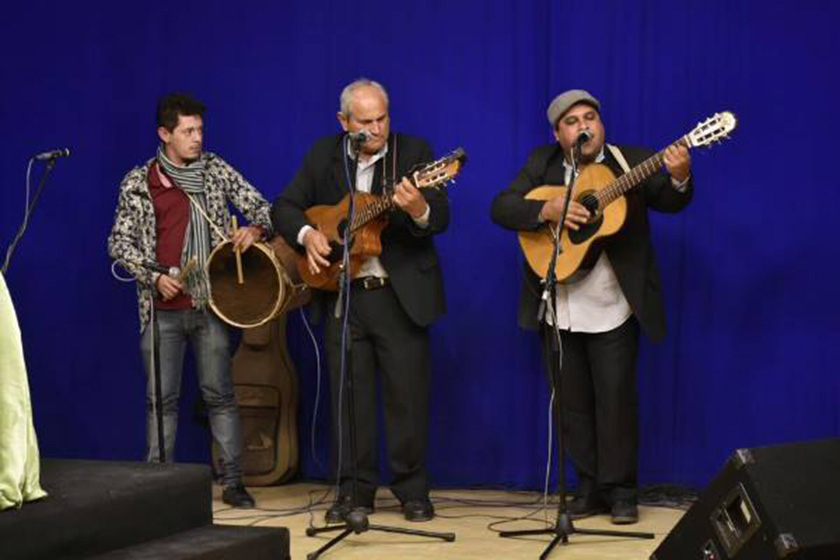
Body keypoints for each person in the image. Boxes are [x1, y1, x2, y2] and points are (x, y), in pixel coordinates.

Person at [491, 89, 692, 524]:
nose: (584, 126)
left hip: (613, 305)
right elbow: (501, 208)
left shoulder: (629, 162)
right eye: (572, 121)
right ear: (558, 134)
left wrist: (679, 176)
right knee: (573, 404)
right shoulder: (541, 165)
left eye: (590, 118)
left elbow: (672, 200)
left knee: (615, 400)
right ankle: (588, 488)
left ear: (601, 124)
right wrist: (545, 206)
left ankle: (621, 492)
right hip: (560, 306)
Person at [271, 79, 448, 523]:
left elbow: (439, 218)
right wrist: (308, 233)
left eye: (382, 118)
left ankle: (412, 491)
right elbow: (285, 207)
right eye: (365, 122)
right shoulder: (324, 155)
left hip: (397, 295)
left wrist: (417, 209)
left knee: (407, 398)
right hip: (343, 294)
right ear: (343, 122)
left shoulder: (415, 152)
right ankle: (354, 492)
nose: (376, 128)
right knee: (349, 398)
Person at [108, 92, 273, 508]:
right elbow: (118, 242)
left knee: (220, 394)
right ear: (164, 134)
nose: (197, 138)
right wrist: (153, 277)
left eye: (200, 129)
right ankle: (158, 485)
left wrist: (254, 230)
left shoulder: (214, 171)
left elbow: (263, 208)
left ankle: (234, 483)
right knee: (159, 401)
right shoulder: (139, 181)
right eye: (188, 131)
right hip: (161, 309)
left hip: (210, 303)